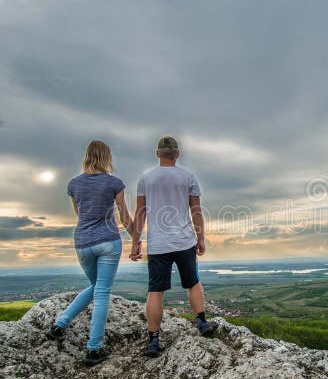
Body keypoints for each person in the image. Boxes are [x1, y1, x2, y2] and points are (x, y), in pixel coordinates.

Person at [46, 140, 137, 366]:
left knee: (96, 287)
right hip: (108, 241)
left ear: (87, 156)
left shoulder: (74, 184)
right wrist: (137, 238)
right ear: (107, 158)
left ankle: (61, 323)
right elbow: (124, 216)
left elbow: (80, 214)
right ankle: (93, 349)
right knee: (102, 293)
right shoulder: (114, 183)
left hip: (83, 243)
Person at [130, 135, 217, 357]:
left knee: (156, 291)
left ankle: (153, 340)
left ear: (157, 153)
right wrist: (201, 238)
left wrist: (135, 241)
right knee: (193, 282)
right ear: (177, 154)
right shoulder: (188, 177)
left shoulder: (145, 179)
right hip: (184, 240)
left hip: (158, 244)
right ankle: (201, 322)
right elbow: (196, 211)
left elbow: (140, 213)